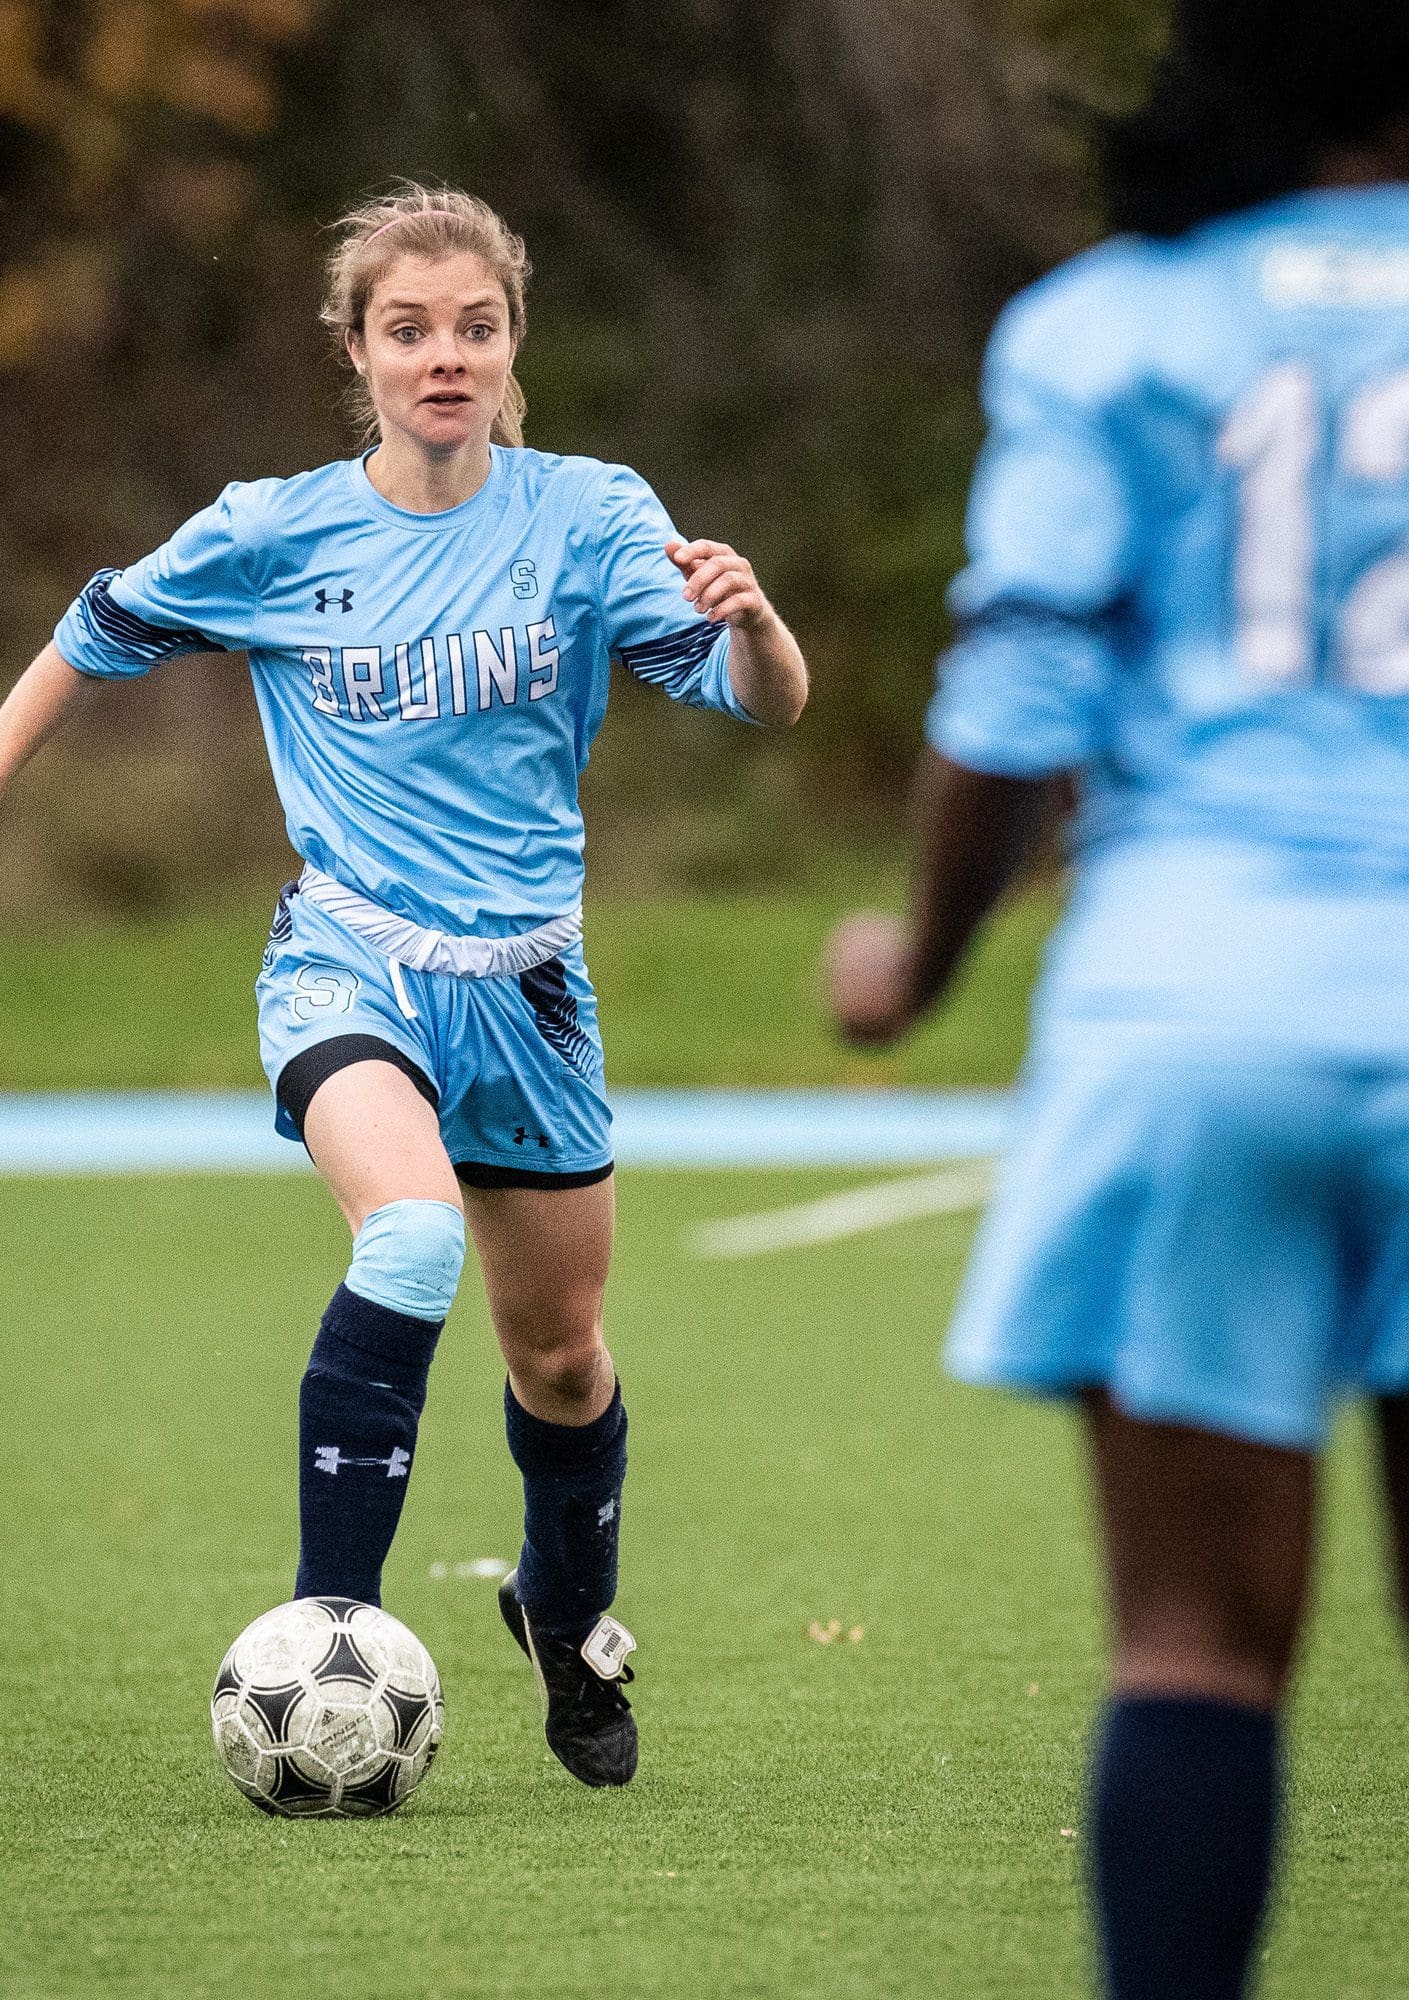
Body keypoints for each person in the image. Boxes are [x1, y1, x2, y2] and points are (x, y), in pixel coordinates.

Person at [0, 183, 808, 1789]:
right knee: (403, 1236)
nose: (443, 356)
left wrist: (763, 629)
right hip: (350, 961)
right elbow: (87, 634)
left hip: (529, 992)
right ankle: (338, 1633)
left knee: (562, 1359)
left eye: (474, 326)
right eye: (409, 331)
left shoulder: (591, 515)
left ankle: (565, 1614)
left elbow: (759, 701)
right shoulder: (272, 531)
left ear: (512, 342)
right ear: (357, 350)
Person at [825, 3, 1409, 1991]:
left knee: (1194, 1646)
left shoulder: (1108, 322)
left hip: (1198, 1006)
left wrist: (917, 960)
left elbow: (1013, 705)